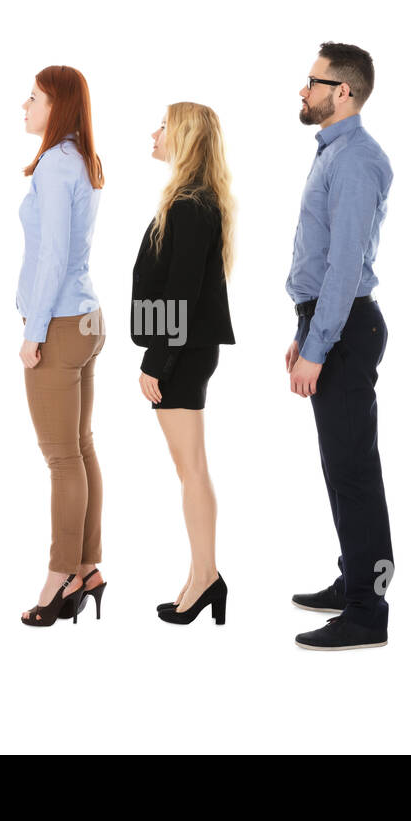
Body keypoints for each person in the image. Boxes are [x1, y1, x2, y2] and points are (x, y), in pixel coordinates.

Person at [286, 42, 395, 651]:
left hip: (347, 327)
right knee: (342, 464)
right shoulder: (333, 151)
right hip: (331, 325)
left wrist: (318, 344)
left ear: (343, 91)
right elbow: (322, 257)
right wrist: (304, 336)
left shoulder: (354, 160)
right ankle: (355, 575)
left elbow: (347, 265)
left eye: (312, 81)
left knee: (353, 469)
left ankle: (366, 610)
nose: (303, 91)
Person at [133, 102, 236, 626]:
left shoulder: (192, 203)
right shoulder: (191, 198)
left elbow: (183, 292)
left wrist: (157, 360)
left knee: (191, 468)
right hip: (186, 348)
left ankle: (205, 578)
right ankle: (202, 576)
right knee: (189, 468)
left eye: (164, 127)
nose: (154, 133)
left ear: (186, 138)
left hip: (184, 351)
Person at [16, 65, 106, 627]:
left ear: (58, 107)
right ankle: (88, 567)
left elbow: (50, 257)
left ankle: (60, 577)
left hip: (61, 323)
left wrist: (33, 331)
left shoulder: (54, 165)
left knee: (61, 457)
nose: (23, 105)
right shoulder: (84, 160)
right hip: (89, 318)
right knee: (81, 447)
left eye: (33, 98)